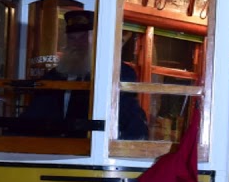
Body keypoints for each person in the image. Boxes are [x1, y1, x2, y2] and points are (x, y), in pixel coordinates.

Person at [21, 9, 148, 139]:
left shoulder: (118, 72)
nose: (77, 44)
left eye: (83, 38)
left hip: (92, 152)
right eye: (72, 38)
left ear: (98, 40)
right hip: (56, 151)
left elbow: (129, 121)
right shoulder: (56, 75)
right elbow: (36, 113)